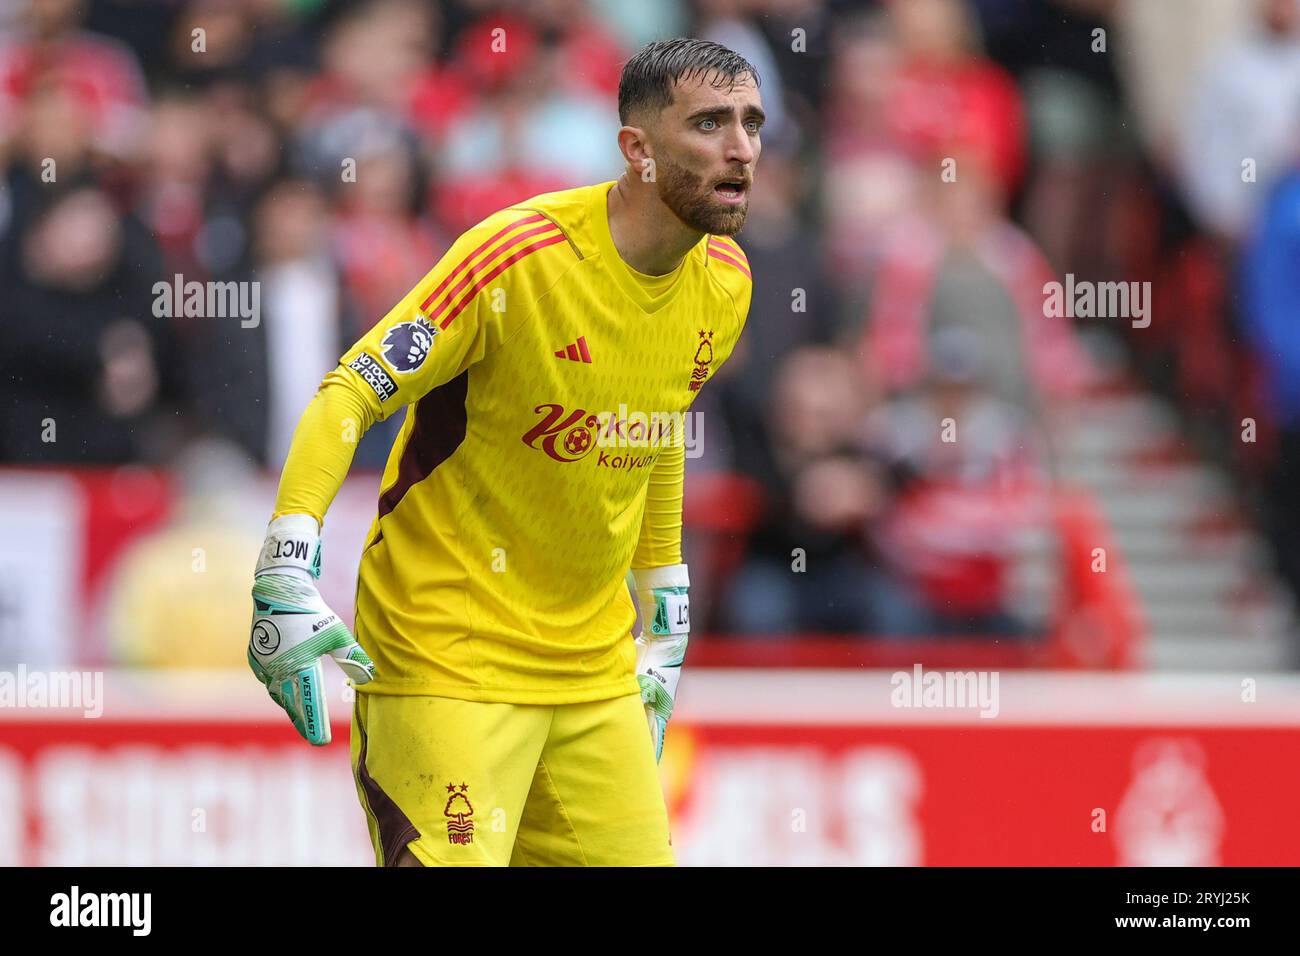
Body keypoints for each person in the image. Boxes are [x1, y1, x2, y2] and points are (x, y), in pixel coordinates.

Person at [245, 38, 761, 867]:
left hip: (593, 673)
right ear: (637, 149)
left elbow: (658, 417)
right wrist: (284, 567)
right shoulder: (516, 257)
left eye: (751, 123)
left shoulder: (726, 280)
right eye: (709, 123)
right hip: (445, 653)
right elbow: (352, 388)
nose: (741, 148)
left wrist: (665, 604)